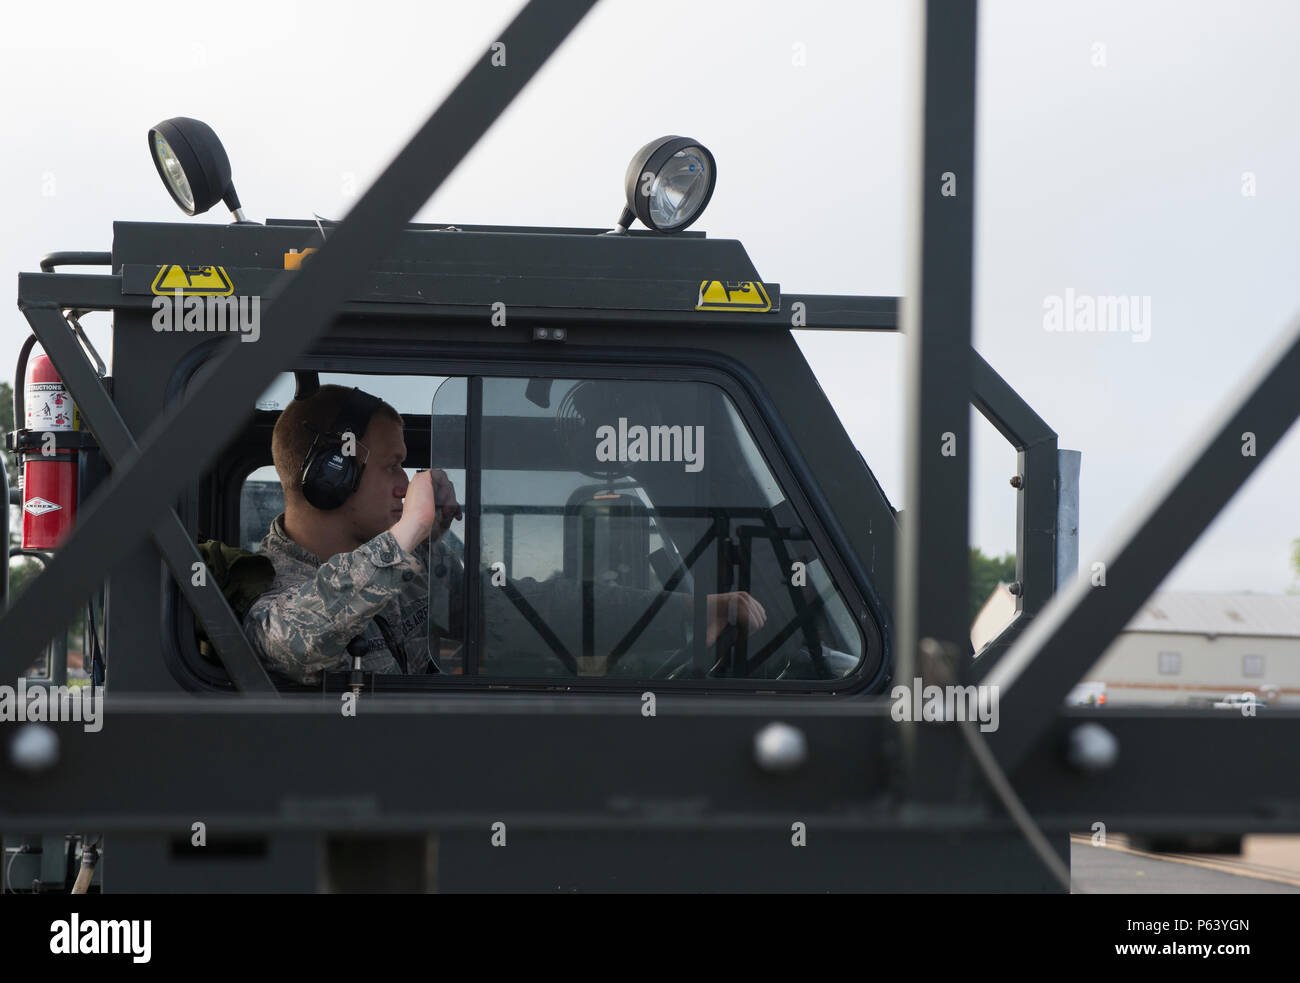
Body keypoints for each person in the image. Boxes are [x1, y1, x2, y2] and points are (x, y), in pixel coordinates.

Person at [244, 385, 765, 685]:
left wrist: (684, 612)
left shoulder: (406, 564)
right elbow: (297, 642)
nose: (406, 484)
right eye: (392, 466)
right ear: (333, 474)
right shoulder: (264, 587)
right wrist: (409, 534)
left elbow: (522, 609)